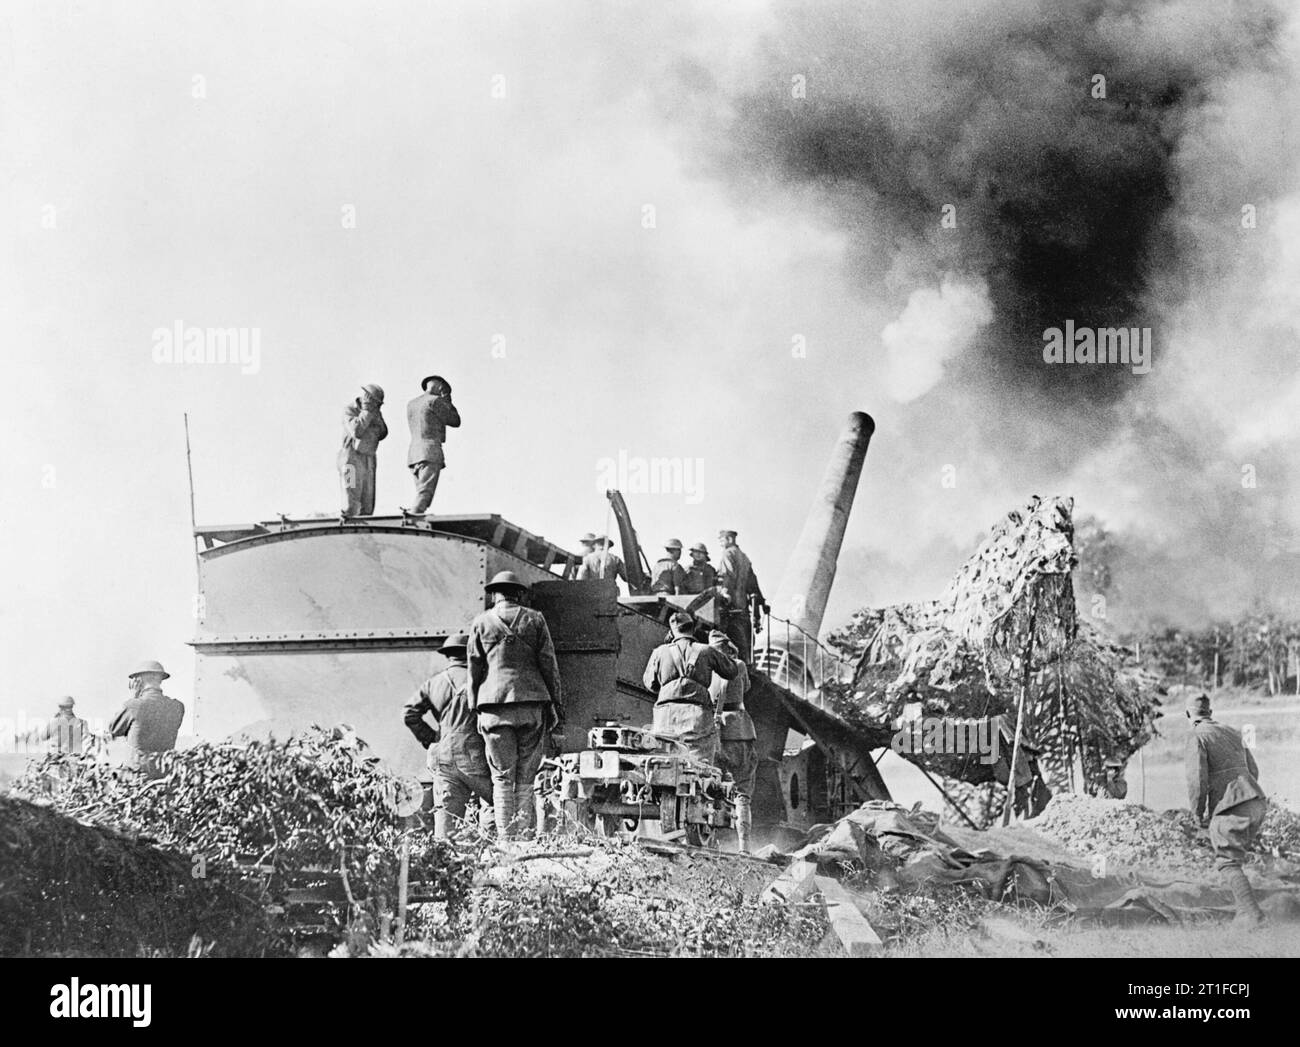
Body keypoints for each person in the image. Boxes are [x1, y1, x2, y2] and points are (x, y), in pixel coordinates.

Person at [469, 571, 564, 839]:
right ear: (519, 593)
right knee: (525, 778)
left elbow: (473, 669)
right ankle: (523, 836)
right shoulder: (535, 619)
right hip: (531, 706)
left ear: (493, 594)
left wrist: (474, 707)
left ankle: (505, 840)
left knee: (501, 777)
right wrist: (555, 703)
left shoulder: (481, 622)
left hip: (493, 708)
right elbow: (549, 664)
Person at [1185, 692, 1267, 927]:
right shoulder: (1232, 731)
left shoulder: (1196, 735)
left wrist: (1197, 812)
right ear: (1210, 713)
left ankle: (1253, 915)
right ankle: (1245, 913)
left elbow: (1197, 780)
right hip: (1256, 799)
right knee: (1235, 860)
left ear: (1188, 714)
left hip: (1232, 804)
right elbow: (1254, 770)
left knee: (1227, 862)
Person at [403, 633, 492, 838]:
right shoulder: (481, 680)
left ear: (448, 656)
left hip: (442, 753)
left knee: (446, 818)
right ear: (471, 652)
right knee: (496, 804)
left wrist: (431, 738)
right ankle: (492, 858)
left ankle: (446, 862)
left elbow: (408, 713)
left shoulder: (433, 683)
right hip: (473, 751)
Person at [642, 613, 737, 766]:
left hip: (665, 715)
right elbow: (731, 671)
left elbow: (650, 684)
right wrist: (723, 651)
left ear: (672, 632)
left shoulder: (660, 651)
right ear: (693, 629)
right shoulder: (706, 650)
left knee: (663, 762)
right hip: (697, 716)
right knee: (700, 766)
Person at [708, 631, 756, 853]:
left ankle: (710, 843)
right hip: (739, 730)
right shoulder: (739, 666)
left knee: (711, 789)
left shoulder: (707, 669)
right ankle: (744, 847)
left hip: (715, 734)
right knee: (742, 792)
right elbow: (745, 688)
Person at [108, 661, 185, 776]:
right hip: (165, 773)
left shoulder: (134, 706)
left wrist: (133, 697)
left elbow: (114, 729)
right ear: (160, 680)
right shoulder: (177, 706)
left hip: (137, 774)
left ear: (138, 681)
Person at [404, 375, 461, 515]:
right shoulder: (435, 401)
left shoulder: (411, 403)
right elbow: (455, 420)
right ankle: (414, 516)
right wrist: (447, 399)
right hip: (430, 450)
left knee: (421, 490)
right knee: (425, 492)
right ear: (441, 388)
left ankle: (415, 512)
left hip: (414, 453)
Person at [716, 530, 768, 662]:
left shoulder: (728, 554)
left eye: (721, 540)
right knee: (745, 640)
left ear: (729, 539)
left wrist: (724, 593)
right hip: (743, 607)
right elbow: (753, 583)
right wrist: (761, 603)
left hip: (731, 606)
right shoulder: (744, 557)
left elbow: (727, 575)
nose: (720, 544)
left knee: (729, 638)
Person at [338, 384, 388, 517]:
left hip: (368, 459)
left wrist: (375, 417)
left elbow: (383, 432)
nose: (377, 407)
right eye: (376, 403)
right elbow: (356, 431)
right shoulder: (350, 410)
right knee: (351, 502)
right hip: (350, 460)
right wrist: (366, 412)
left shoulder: (375, 412)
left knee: (367, 503)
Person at [22, 696, 89, 755]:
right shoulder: (82, 723)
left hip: (56, 759)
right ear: (72, 706)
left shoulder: (54, 722)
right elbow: (87, 740)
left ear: (60, 708)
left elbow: (43, 737)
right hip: (75, 759)